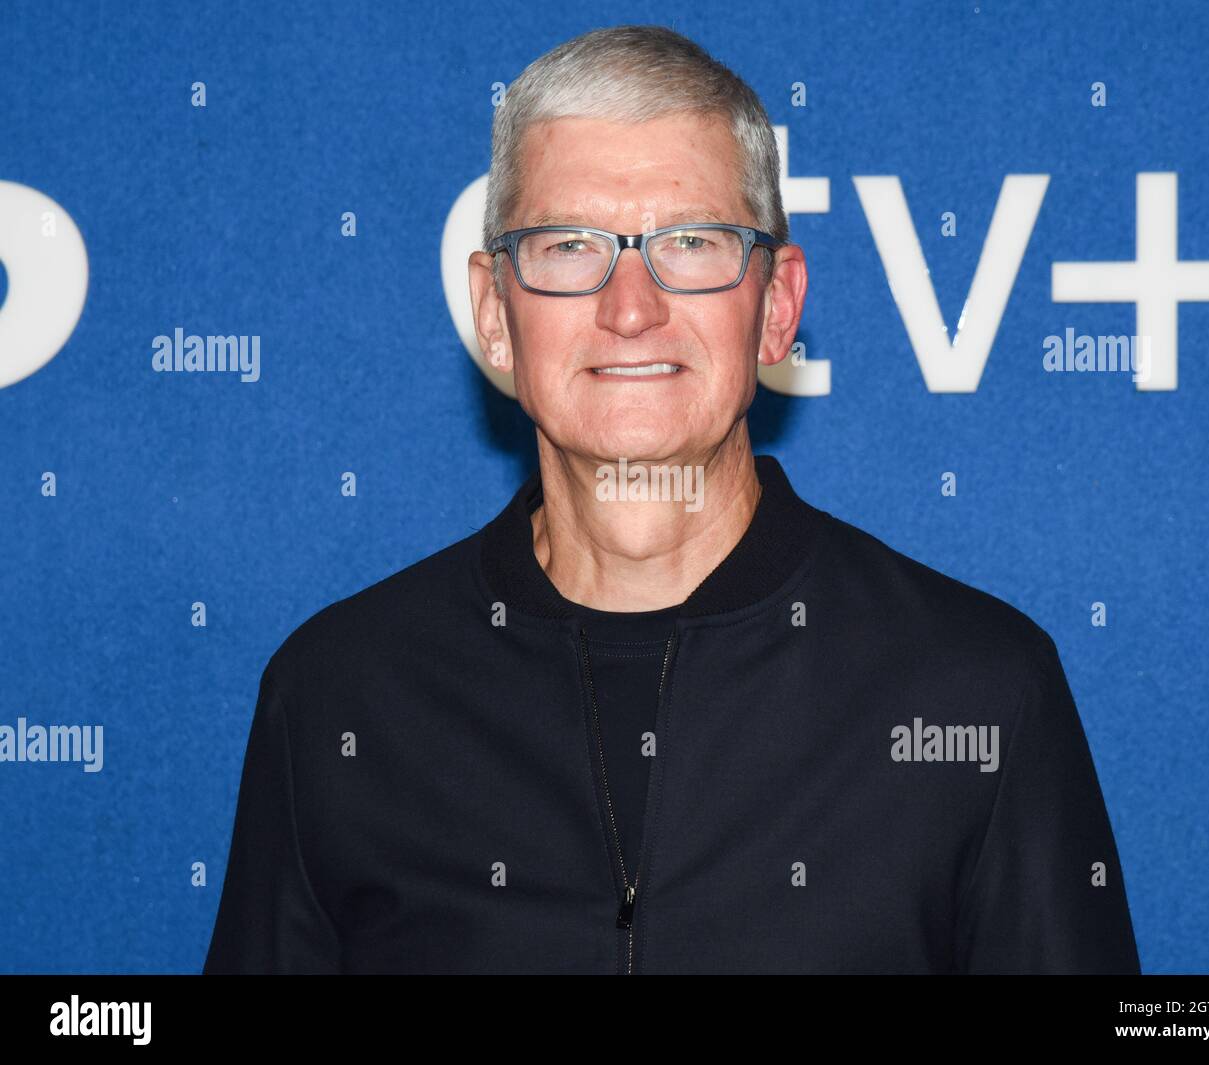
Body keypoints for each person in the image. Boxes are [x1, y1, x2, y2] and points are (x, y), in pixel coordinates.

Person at [203, 24, 1141, 974]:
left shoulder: (976, 685)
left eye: (690, 242)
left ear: (775, 306)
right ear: (494, 313)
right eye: (569, 245)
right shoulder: (338, 692)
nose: (630, 305)